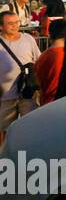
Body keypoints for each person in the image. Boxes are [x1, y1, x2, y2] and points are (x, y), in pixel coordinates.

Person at [0, 10, 40, 143]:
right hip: (4, 97)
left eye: (17, 22)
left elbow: (38, 61)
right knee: (3, 130)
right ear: (1, 26)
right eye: (10, 23)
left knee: (28, 129)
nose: (15, 26)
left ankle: (27, 158)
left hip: (27, 94)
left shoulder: (28, 39)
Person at [34, 18, 66, 105]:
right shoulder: (63, 54)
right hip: (59, 102)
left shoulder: (43, 56)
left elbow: (38, 80)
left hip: (46, 101)